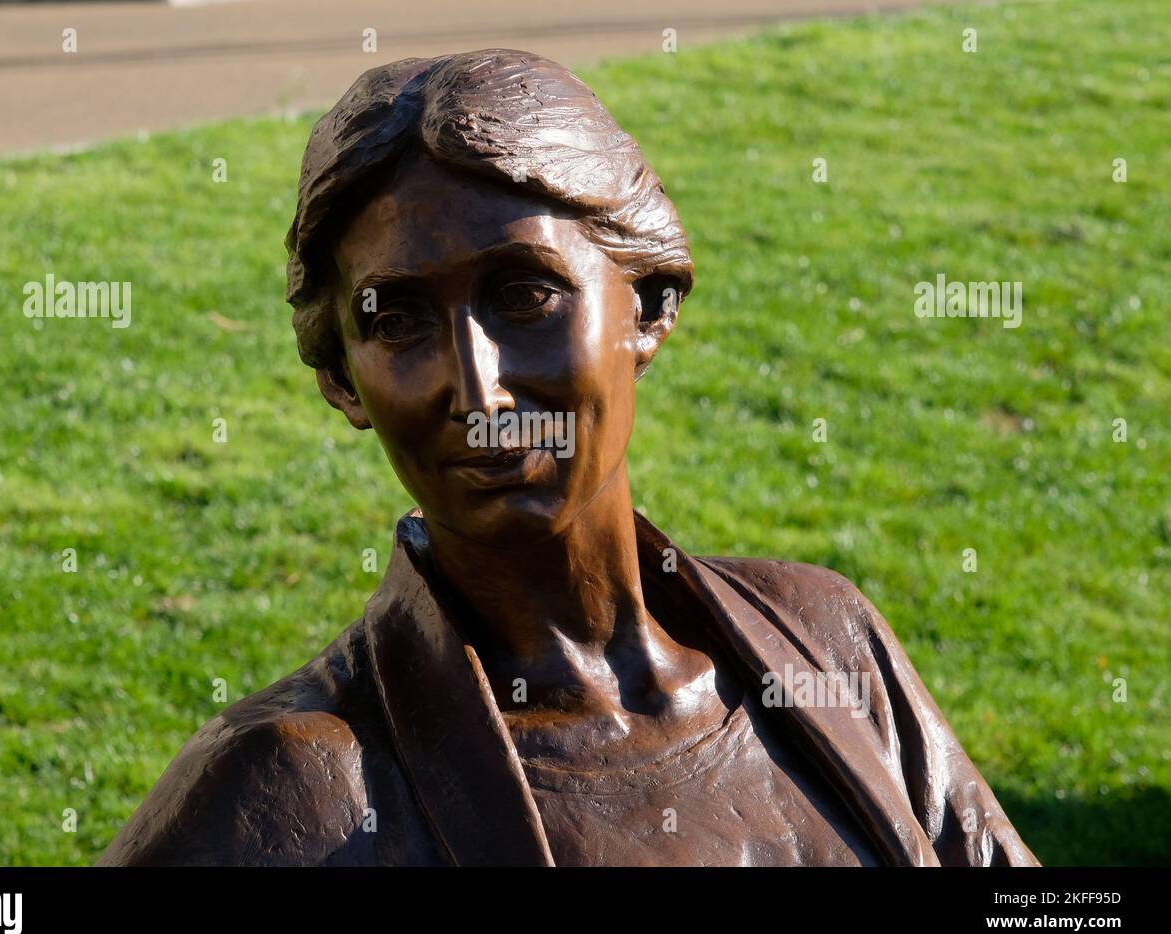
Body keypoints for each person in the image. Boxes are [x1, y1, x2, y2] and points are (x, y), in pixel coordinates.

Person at [99, 49, 1038, 867]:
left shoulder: (828, 646)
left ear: (651, 305)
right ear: (342, 378)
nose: (479, 392)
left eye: (524, 297)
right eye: (398, 320)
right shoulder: (301, 791)